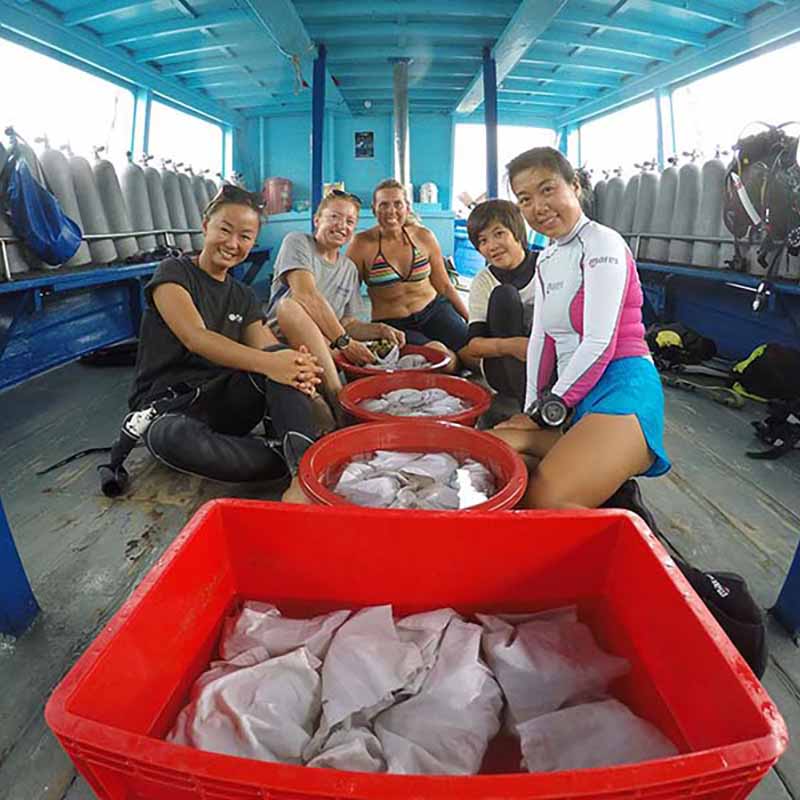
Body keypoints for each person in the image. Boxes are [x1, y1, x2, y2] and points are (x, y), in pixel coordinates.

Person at [490, 147, 670, 509]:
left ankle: (621, 503)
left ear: (574, 185)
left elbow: (600, 342)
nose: (538, 207)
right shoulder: (548, 259)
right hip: (575, 398)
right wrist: (530, 409)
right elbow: (541, 340)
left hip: (622, 389)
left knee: (541, 503)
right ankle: (609, 488)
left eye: (547, 189)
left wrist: (545, 411)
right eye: (525, 199)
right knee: (495, 454)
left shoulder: (603, 242)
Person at [126, 184, 323, 502]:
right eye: (225, 230)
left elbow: (268, 348)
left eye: (245, 236)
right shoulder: (174, 272)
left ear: (253, 242)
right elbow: (195, 337)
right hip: (170, 408)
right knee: (173, 439)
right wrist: (275, 362)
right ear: (206, 226)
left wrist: (300, 367)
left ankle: (302, 474)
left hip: (225, 402)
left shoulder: (243, 295)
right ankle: (295, 456)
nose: (233, 243)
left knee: (283, 358)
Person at [265, 190, 405, 416]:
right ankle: (336, 397)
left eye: (350, 221)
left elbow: (348, 324)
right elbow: (305, 295)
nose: (342, 225)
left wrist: (380, 330)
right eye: (334, 217)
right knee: (289, 306)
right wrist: (344, 343)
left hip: (326, 347)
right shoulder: (297, 242)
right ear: (317, 220)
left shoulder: (349, 269)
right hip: (282, 339)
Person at [346, 179, 469, 370]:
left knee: (474, 353)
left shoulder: (423, 236)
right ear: (374, 209)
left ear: (407, 208)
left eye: (397, 204)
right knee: (443, 359)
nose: (391, 211)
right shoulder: (362, 244)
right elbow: (346, 294)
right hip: (396, 325)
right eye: (384, 205)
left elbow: (445, 286)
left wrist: (470, 320)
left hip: (435, 311)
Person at [462, 199, 537, 407]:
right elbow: (474, 346)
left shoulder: (546, 265)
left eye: (499, 234)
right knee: (505, 295)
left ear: (517, 232)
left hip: (545, 361)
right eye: (483, 240)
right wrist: (512, 346)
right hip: (503, 370)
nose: (492, 246)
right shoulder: (484, 281)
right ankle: (530, 406)